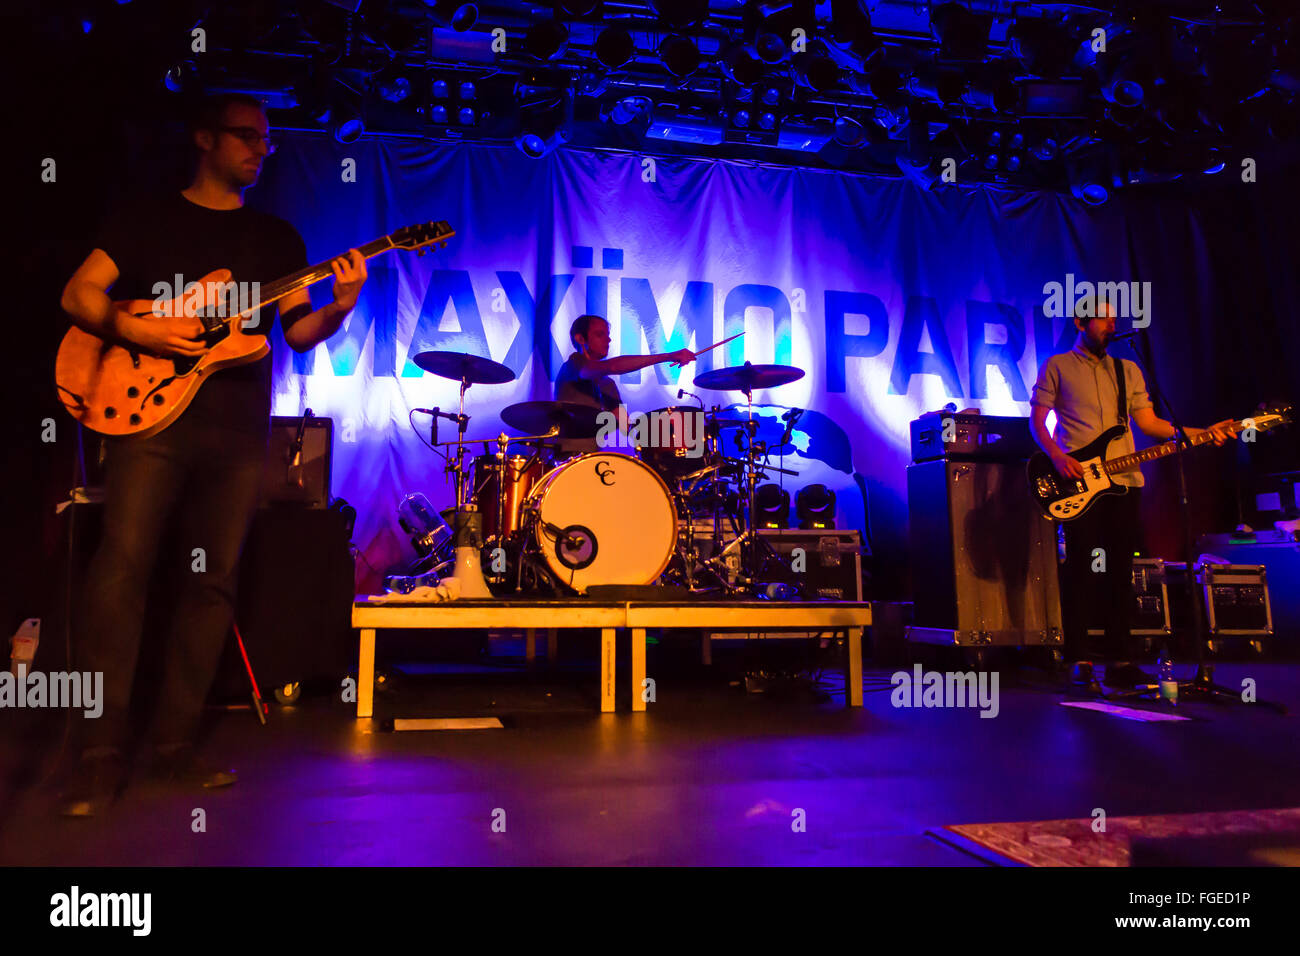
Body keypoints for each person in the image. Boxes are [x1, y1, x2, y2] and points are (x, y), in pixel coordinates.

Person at [57, 93, 368, 815]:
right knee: (122, 573)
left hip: (235, 433)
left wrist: (342, 303)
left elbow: (297, 333)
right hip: (149, 425)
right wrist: (143, 335)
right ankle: (99, 756)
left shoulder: (277, 239)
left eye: (267, 141)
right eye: (246, 136)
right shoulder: (146, 219)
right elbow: (79, 295)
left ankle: (172, 748)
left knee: (212, 585)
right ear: (203, 138)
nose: (261, 149)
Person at [1029, 300, 1234, 685]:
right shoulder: (1057, 366)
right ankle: (1078, 657)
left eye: (1113, 319)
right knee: (1082, 572)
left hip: (1125, 484)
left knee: (1120, 572)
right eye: (1103, 318)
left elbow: (1150, 423)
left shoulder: (1128, 370)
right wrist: (1057, 457)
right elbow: (1038, 420)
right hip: (1079, 483)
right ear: (1080, 322)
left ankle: (1120, 659)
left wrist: (1201, 433)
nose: (1111, 324)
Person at [552, 314, 695, 454]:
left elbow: (624, 425)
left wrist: (662, 428)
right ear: (580, 338)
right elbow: (612, 367)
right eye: (600, 334)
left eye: (607, 335)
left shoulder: (608, 384)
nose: (608, 339)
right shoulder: (573, 363)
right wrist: (669, 356)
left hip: (594, 459)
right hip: (566, 457)